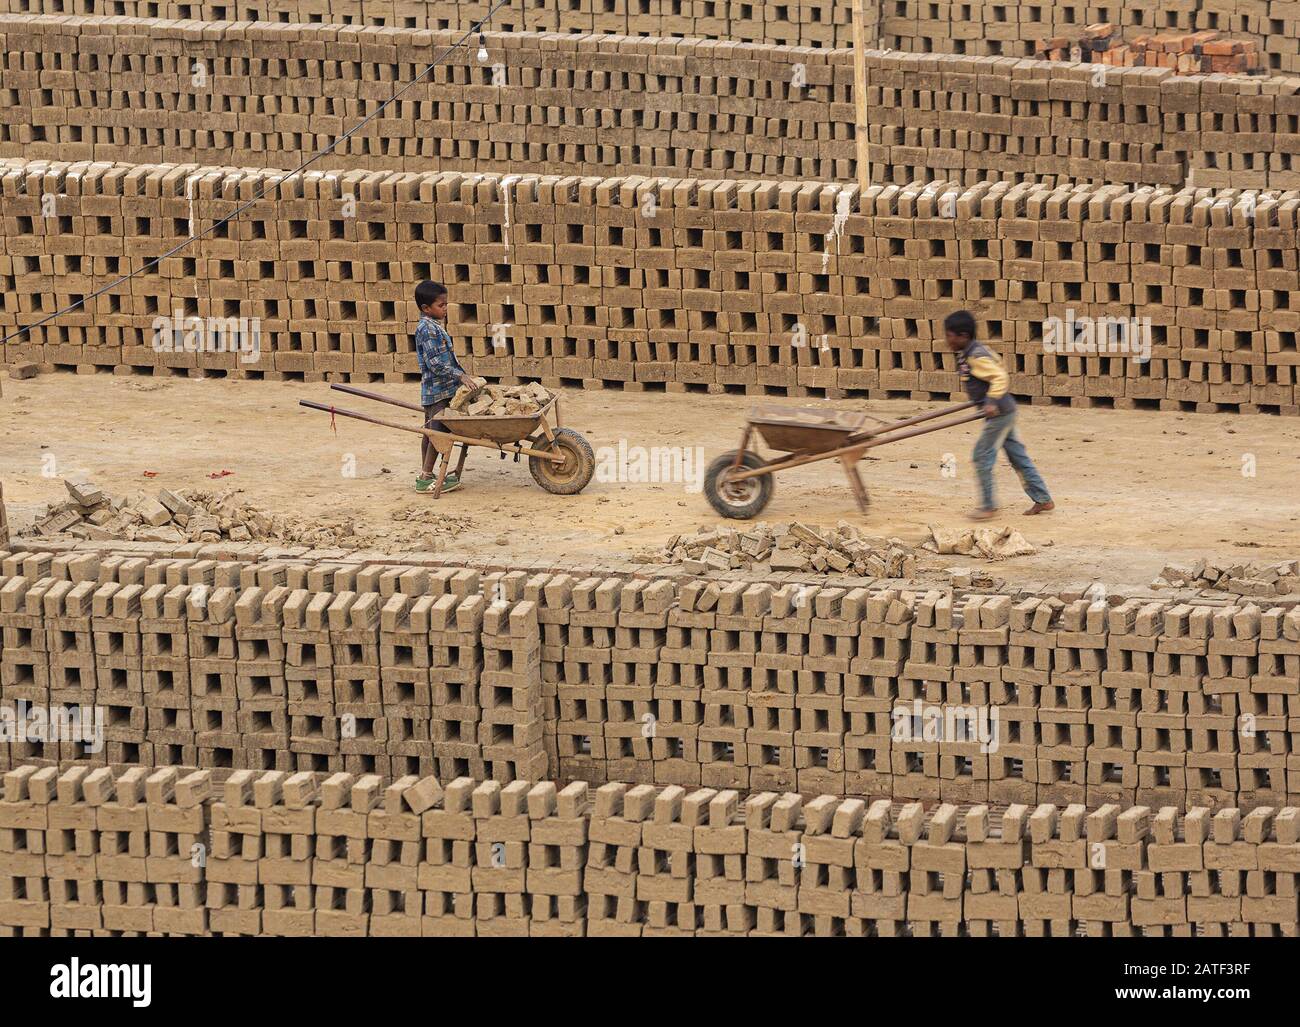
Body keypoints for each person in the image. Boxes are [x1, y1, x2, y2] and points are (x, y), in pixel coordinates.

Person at [943, 310, 1054, 520]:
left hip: (999, 414)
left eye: (950, 335)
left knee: (981, 455)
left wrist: (992, 400)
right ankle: (1043, 499)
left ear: (963, 336)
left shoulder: (975, 355)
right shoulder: (973, 352)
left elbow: (1000, 375)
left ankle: (988, 506)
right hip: (1005, 411)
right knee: (1018, 457)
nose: (947, 340)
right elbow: (999, 364)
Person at [413, 281, 478, 494]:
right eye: (441, 305)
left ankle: (427, 474)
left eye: (446, 304)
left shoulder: (432, 326)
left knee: (429, 431)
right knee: (437, 434)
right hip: (439, 390)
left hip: (436, 389)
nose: (445, 308)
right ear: (426, 308)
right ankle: (426, 477)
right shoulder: (428, 329)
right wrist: (460, 375)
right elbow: (435, 364)